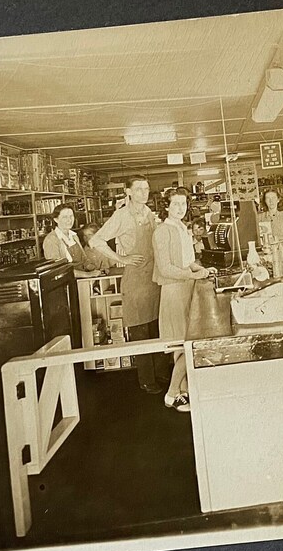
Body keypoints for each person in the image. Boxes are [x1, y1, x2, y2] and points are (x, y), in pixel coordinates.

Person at [89, 175, 165, 394]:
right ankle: (146, 380)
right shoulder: (121, 215)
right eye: (139, 189)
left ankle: (160, 372)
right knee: (141, 330)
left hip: (153, 277)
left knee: (156, 328)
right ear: (128, 192)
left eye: (146, 189)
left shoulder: (149, 213)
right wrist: (121, 259)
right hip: (136, 281)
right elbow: (96, 241)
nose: (144, 192)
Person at [153, 188, 216, 413]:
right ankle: (172, 393)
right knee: (184, 344)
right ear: (166, 207)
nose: (180, 208)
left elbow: (188, 262)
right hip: (173, 291)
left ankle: (184, 392)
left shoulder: (182, 228)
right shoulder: (162, 231)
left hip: (186, 288)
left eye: (183, 204)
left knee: (183, 344)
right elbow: (166, 268)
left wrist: (202, 269)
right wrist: (193, 274)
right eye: (176, 204)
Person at [258, 189, 283, 279]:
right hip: (266, 254)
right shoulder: (259, 217)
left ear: (278, 199)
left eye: (273, 198)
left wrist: (281, 246)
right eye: (268, 198)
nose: (271, 201)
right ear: (264, 201)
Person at [42, 204, 87, 272]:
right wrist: (86, 275)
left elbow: (84, 259)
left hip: (81, 274)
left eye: (71, 216)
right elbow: (57, 269)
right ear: (56, 219)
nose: (69, 220)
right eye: (65, 217)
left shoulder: (74, 235)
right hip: (66, 279)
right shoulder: (51, 239)